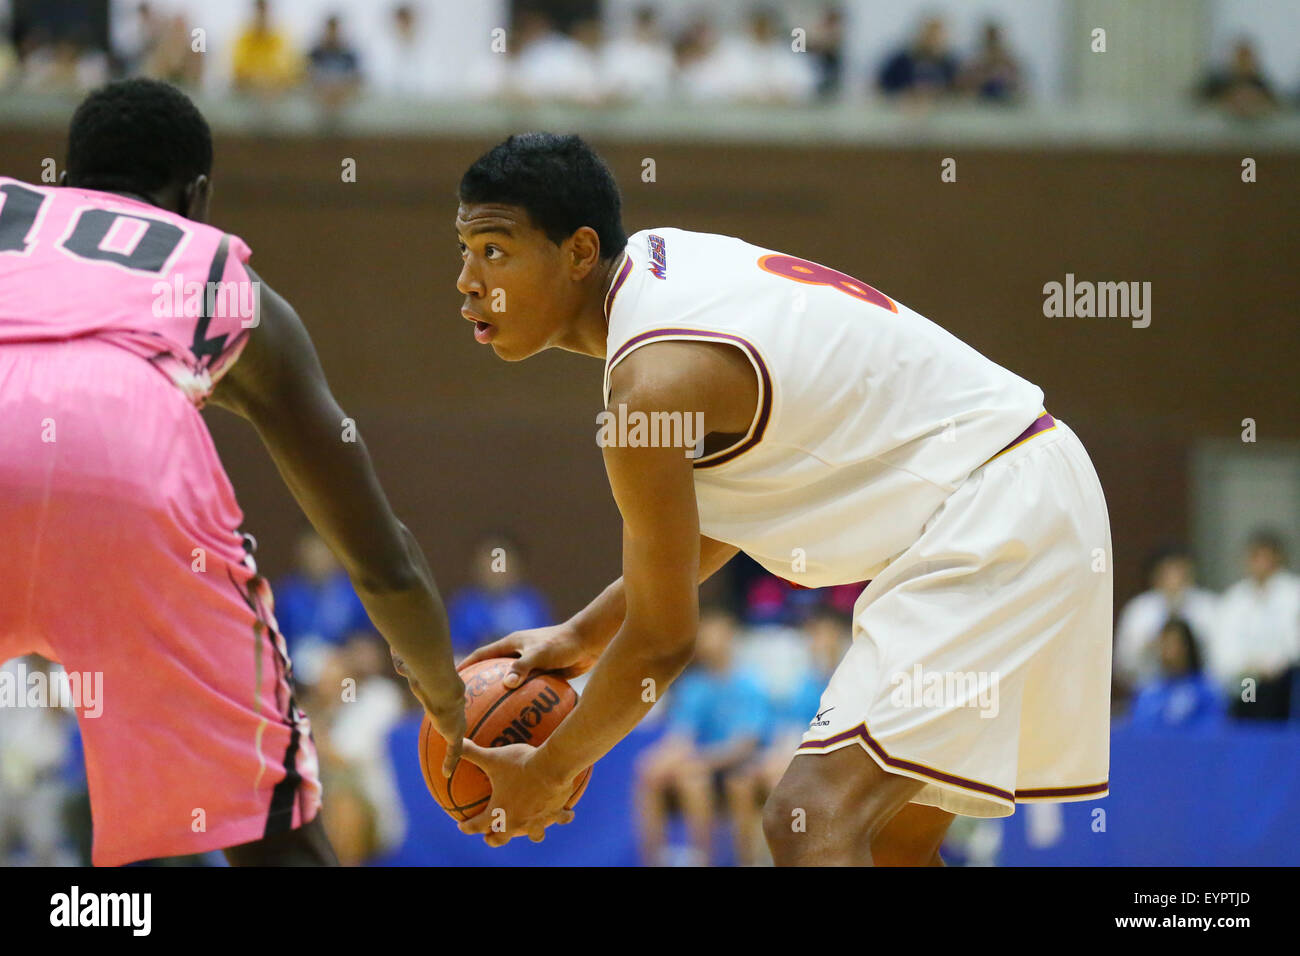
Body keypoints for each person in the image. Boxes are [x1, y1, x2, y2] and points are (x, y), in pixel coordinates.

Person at [452, 132, 1113, 865]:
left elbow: (664, 640)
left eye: (494, 250)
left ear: (578, 252)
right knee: (891, 847)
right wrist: (581, 634)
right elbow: (733, 514)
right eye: (465, 251)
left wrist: (548, 771)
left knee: (810, 818)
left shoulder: (651, 389)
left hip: (996, 508)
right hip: (1025, 485)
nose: (468, 280)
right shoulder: (662, 266)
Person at [0, 78, 464, 866]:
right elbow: (380, 557)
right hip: (128, 467)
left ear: (64, 181)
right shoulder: (213, 267)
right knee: (271, 834)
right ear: (199, 196)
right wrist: (448, 701)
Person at [633, 607, 767, 866]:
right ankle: (656, 859)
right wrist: (659, 760)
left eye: (712, 630)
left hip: (740, 766)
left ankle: (737, 860)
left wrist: (699, 761)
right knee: (656, 772)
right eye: (702, 631)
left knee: (719, 779)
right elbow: (681, 737)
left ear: (728, 632)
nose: (706, 638)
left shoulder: (750, 683)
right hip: (702, 766)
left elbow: (746, 745)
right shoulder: (694, 686)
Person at [725, 606, 849, 866]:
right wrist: (775, 757)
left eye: (825, 635)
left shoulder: (849, 681)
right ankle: (749, 861)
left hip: (838, 764)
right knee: (741, 783)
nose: (819, 642)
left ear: (838, 638)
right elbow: (789, 732)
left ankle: (791, 859)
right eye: (813, 636)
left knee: (777, 778)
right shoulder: (804, 684)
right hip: (798, 760)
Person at [1212, 530, 1300, 721]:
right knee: (1248, 700)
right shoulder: (1234, 599)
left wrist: (1276, 664)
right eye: (1255, 557)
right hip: (1248, 677)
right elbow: (1224, 649)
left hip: (1286, 677)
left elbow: (1294, 642)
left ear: (1278, 558)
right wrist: (1249, 667)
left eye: (1265, 557)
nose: (1260, 563)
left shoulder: (1294, 593)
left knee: (1277, 692)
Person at [1114, 544, 1219, 692]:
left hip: (1199, 692)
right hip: (1149, 691)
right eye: (1168, 572)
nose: (1174, 578)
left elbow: (1220, 658)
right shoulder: (1138, 611)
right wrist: (1151, 645)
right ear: (1155, 576)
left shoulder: (1208, 607)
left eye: (1180, 571)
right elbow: (1123, 665)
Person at [1128, 619, 1224, 731]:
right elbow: (1137, 731)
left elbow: (1214, 732)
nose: (1166, 651)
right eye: (1163, 644)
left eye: (1172, 644)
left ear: (1186, 647)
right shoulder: (1148, 693)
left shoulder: (1207, 692)